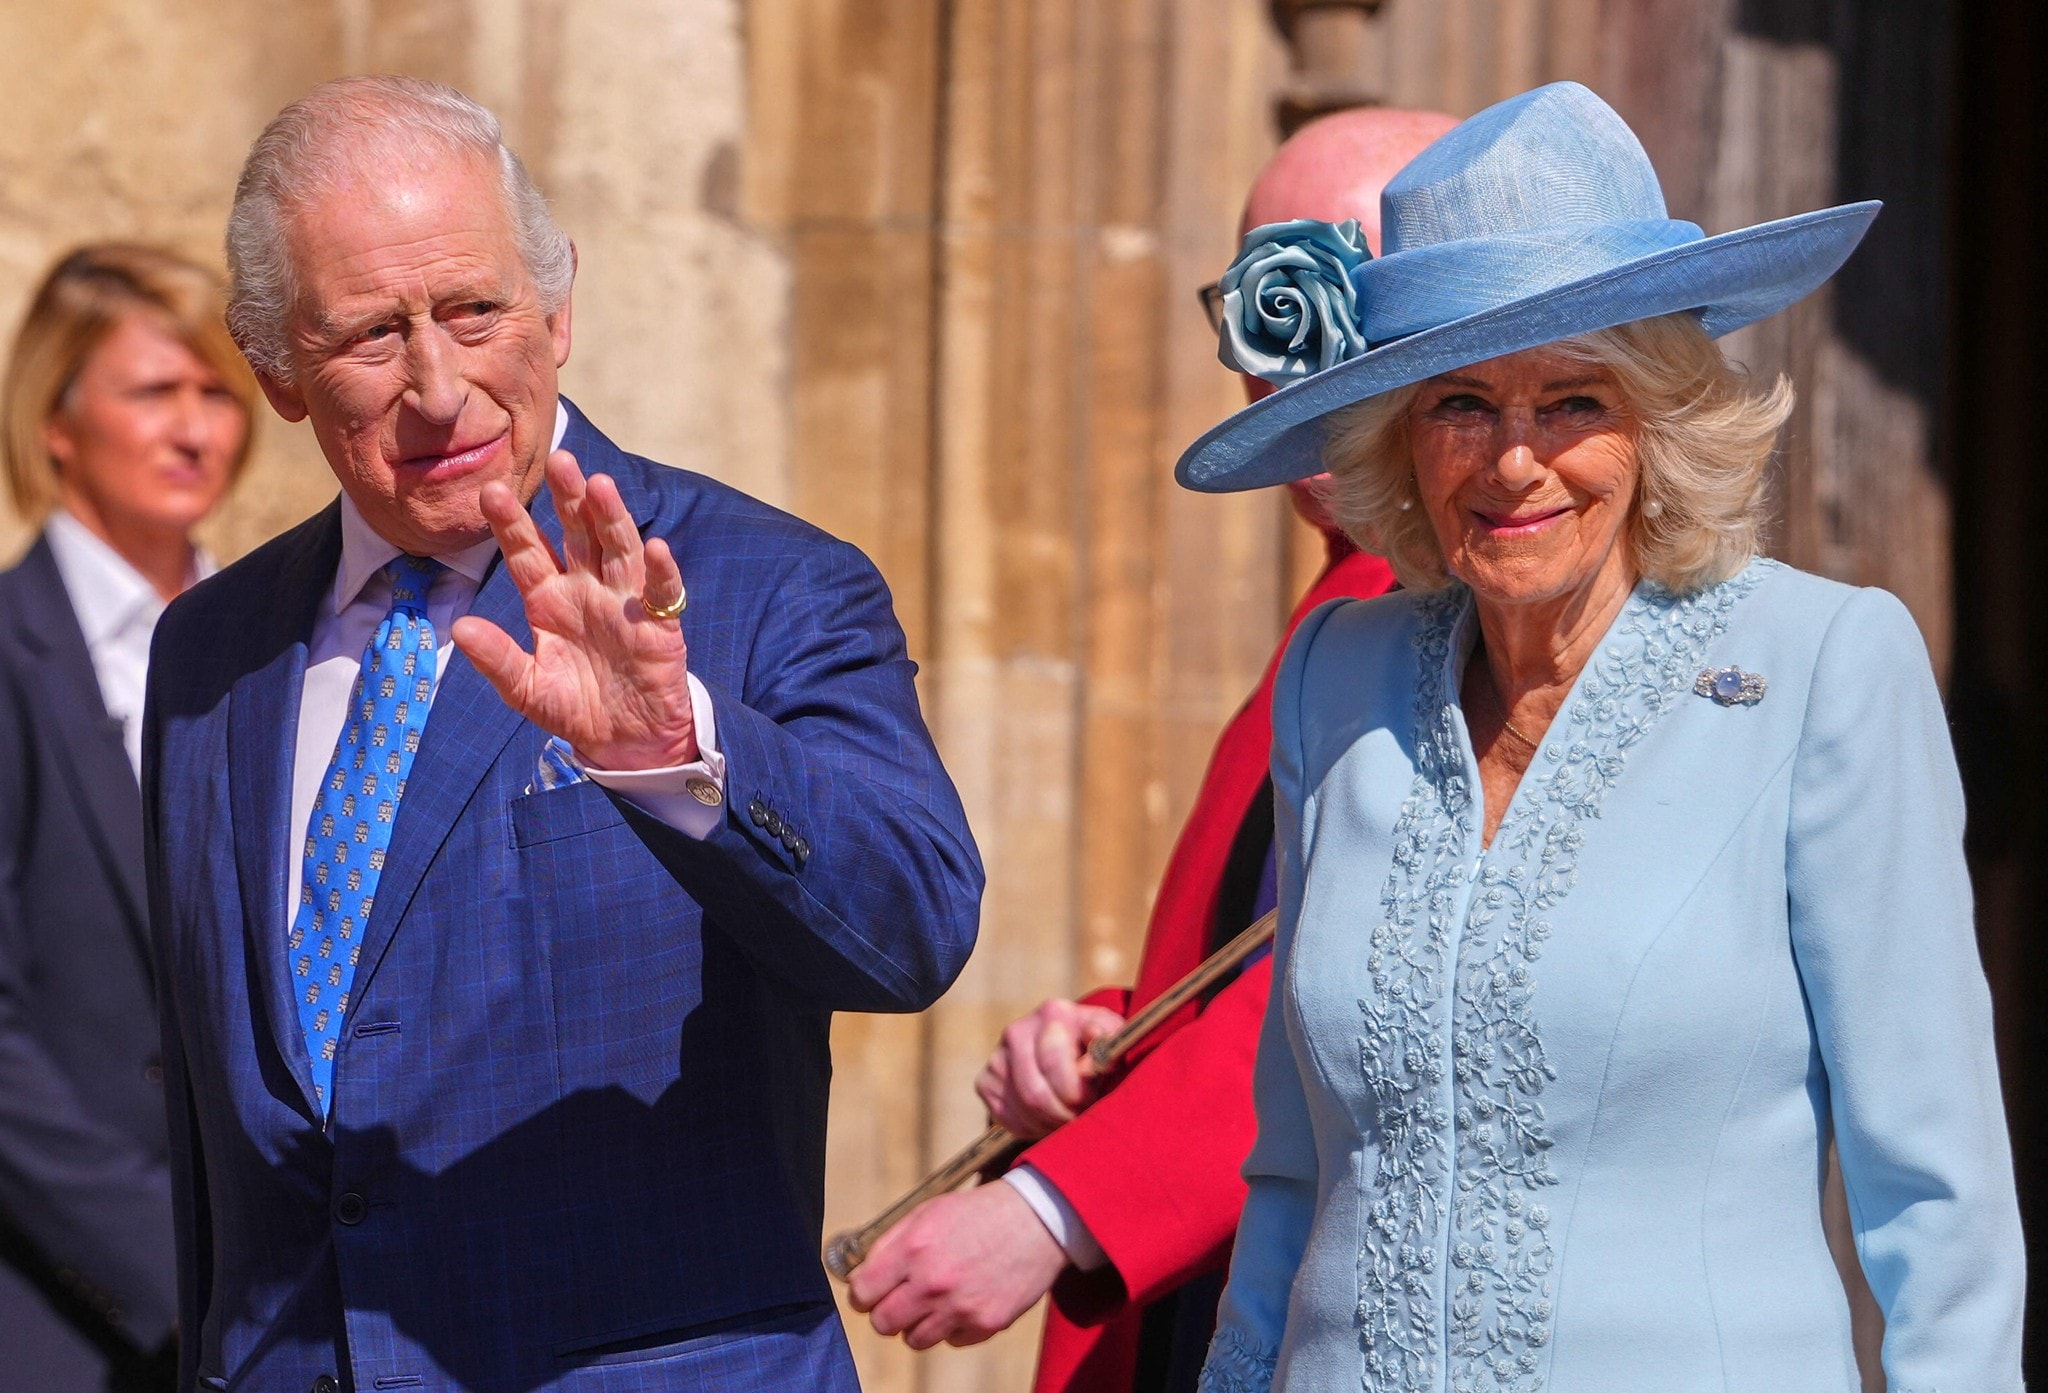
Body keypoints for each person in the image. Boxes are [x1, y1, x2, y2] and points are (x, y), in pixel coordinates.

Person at [1172, 81, 2025, 1392]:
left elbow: (1938, 1191)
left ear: (1662, 419)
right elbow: (1294, 1174)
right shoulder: (1333, 681)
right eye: (1461, 402)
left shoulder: (1820, 669)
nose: (1514, 461)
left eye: (1573, 400)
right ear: (1400, 443)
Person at [143, 75, 982, 1393]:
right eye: (371, 332)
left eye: (474, 309)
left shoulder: (764, 585)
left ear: (559, 306)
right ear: (276, 372)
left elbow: (915, 925)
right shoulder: (211, 651)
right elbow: (225, 1130)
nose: (437, 384)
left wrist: (675, 749)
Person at [847, 109, 1454, 1393]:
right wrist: (1113, 1041)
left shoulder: (1487, 615)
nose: (1285, 366)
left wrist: (1058, 1207)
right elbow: (1283, 942)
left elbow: (1392, 981)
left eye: (1336, 296)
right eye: (1265, 304)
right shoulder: (1345, 605)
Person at [0, 244, 254, 1393]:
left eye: (219, 395)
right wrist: (182, 1276)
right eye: (155, 391)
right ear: (55, 417)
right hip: (65, 1319)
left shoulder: (285, 651)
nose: (197, 430)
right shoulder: (8, 657)